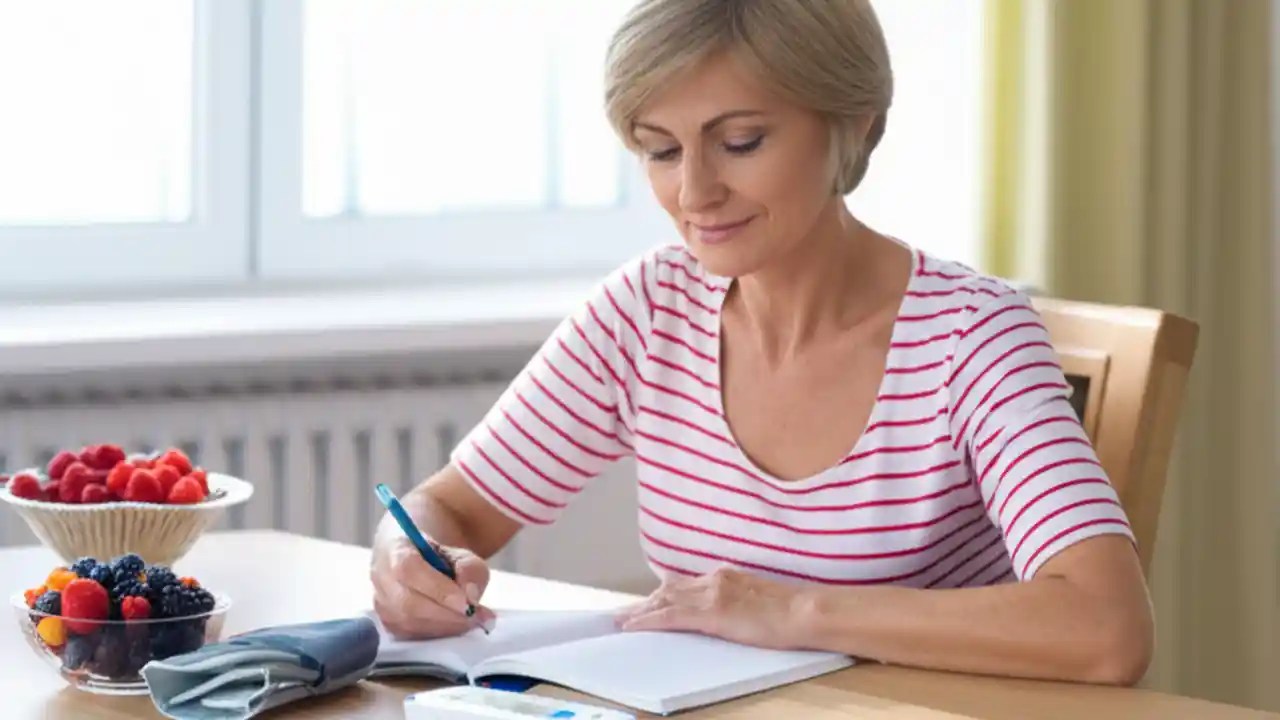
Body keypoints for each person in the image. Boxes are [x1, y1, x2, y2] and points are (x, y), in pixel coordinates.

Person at [371, 0, 1153, 685]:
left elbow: (1105, 628)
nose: (693, 194)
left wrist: (791, 612)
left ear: (856, 123)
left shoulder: (971, 340)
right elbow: (449, 506)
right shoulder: (650, 310)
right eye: (661, 150)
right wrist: (404, 562)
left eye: (740, 142)